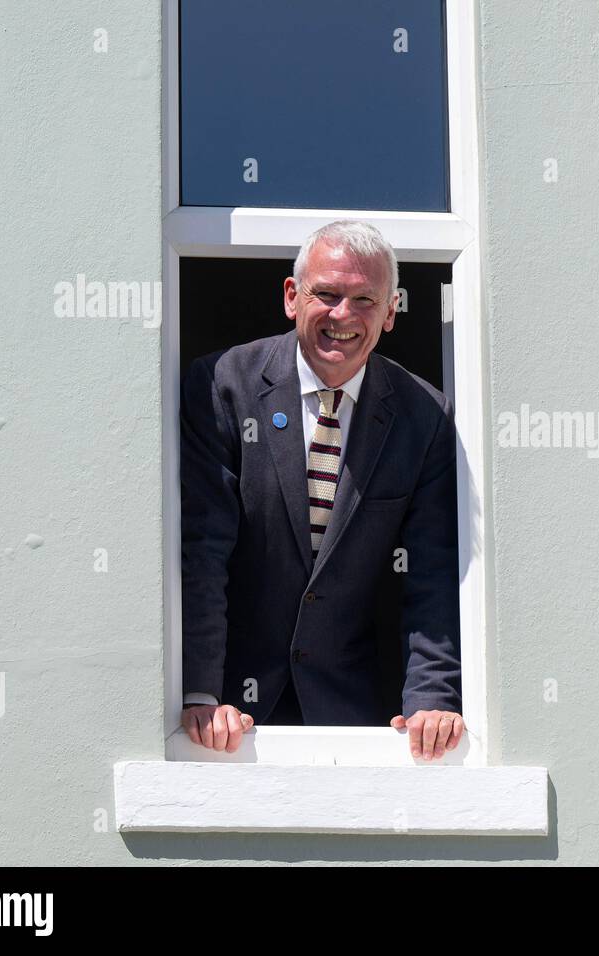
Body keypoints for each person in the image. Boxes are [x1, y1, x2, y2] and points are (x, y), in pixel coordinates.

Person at [179, 220, 463, 760]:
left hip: (354, 713)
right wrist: (200, 688)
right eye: (327, 295)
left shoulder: (424, 415)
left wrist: (432, 696)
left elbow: (433, 572)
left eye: (364, 300)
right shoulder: (224, 384)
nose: (343, 316)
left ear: (391, 312)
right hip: (229, 712)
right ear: (292, 297)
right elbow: (203, 549)